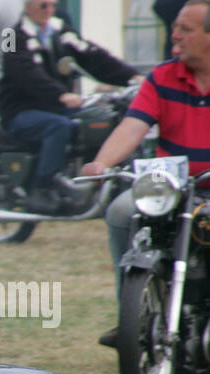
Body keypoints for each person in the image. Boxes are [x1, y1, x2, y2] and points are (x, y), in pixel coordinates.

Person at [83, 0, 210, 345]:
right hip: (170, 186)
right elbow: (132, 127)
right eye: (175, 27)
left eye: (186, 29)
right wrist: (102, 163)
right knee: (122, 210)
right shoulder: (162, 76)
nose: (176, 34)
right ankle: (133, 315)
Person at [0, 0, 140, 215]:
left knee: (98, 118)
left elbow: (92, 55)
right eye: (43, 5)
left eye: (53, 6)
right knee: (59, 127)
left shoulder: (60, 29)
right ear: (27, 5)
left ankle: (91, 182)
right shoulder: (10, 34)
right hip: (20, 110)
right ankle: (42, 188)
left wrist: (131, 77)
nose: (49, 11)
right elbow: (20, 69)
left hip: (56, 107)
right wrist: (60, 94)